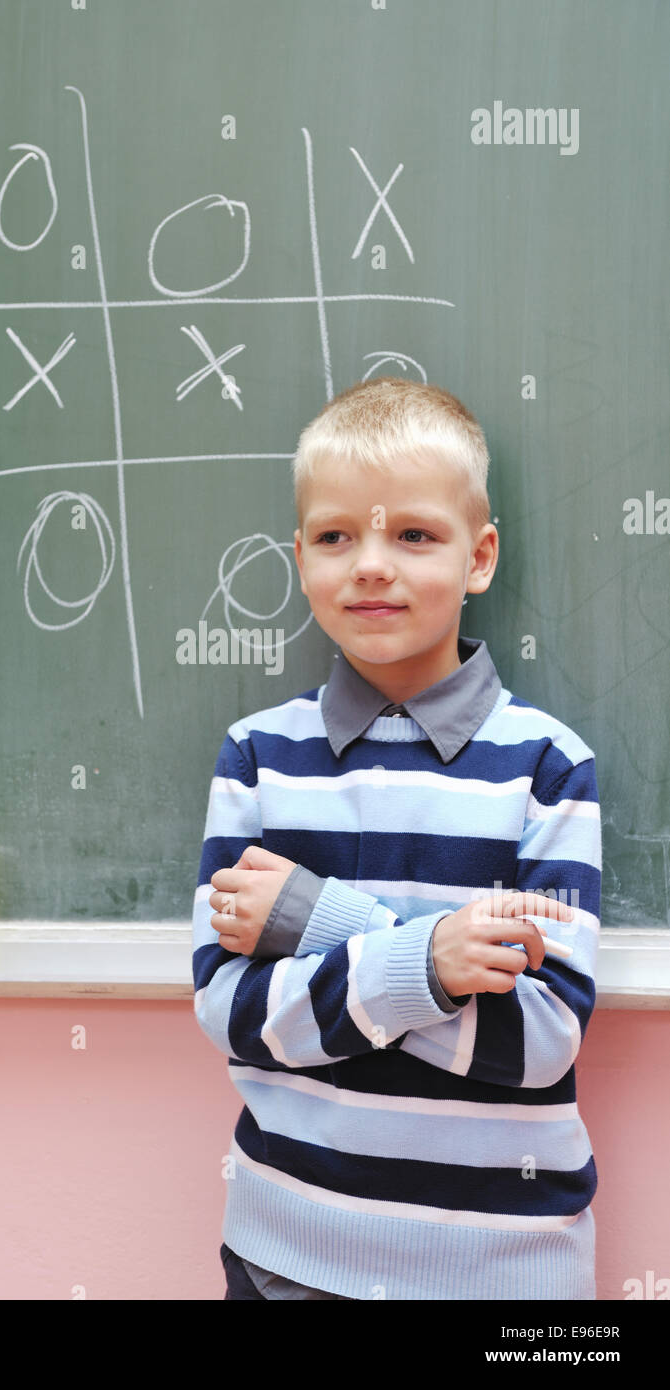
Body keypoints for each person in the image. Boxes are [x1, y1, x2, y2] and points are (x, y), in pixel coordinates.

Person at [191, 377, 601, 1300]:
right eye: (336, 536)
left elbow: (536, 1042)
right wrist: (434, 962)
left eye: (413, 534)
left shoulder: (546, 768)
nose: (369, 564)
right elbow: (239, 1021)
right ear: (299, 559)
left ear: (479, 556)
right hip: (284, 1256)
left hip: (505, 1269)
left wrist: (319, 922)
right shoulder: (256, 759)